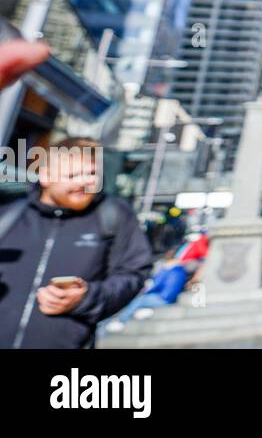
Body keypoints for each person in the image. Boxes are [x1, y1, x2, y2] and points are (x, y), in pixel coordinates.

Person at [0, 135, 152, 348]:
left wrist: (86, 298)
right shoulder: (9, 215)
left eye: (91, 174)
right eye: (73, 174)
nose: (84, 182)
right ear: (46, 176)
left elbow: (134, 273)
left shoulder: (114, 216)